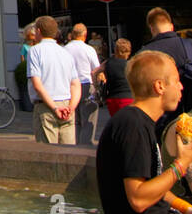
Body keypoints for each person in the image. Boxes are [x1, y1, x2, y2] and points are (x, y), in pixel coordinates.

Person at [96, 50, 192, 214]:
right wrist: (181, 164)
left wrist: (185, 207)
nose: (181, 88)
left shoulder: (140, 123)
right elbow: (138, 198)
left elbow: (155, 187)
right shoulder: (132, 126)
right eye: (177, 81)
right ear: (159, 86)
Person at [27, 15, 81, 145]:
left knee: (48, 154)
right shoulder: (65, 52)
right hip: (67, 103)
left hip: (46, 105)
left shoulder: (35, 51)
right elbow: (75, 84)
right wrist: (71, 107)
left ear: (38, 31)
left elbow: (37, 84)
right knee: (68, 154)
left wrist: (54, 108)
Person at [138, 8, 192, 129]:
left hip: (159, 124)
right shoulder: (189, 45)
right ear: (171, 26)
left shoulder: (144, 54)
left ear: (151, 29)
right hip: (189, 123)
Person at [65, 23, 101, 146]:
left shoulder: (65, 49)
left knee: (74, 120)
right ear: (85, 35)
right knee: (88, 119)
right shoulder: (89, 49)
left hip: (69, 86)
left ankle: (75, 145)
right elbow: (96, 70)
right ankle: (85, 146)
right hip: (86, 85)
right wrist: (97, 87)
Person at [93, 38, 134, 117]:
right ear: (129, 52)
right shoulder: (131, 65)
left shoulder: (108, 63)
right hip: (128, 98)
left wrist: (96, 88)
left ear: (115, 50)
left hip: (112, 99)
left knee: (116, 123)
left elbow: (94, 72)